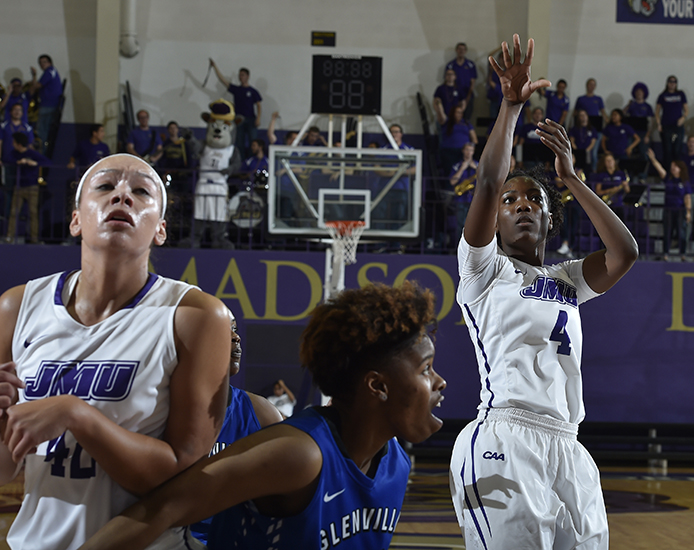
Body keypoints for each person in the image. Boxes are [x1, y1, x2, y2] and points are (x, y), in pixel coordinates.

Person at [78, 281, 447, 550]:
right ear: (377, 386)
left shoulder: (395, 463)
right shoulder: (299, 454)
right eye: (426, 368)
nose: (440, 381)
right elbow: (159, 511)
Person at [450, 34, 637, 550]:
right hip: (505, 436)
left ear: (550, 219)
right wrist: (510, 106)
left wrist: (571, 180)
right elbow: (487, 182)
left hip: (569, 446)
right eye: (511, 201)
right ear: (497, 217)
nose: (521, 204)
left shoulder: (566, 280)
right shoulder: (483, 272)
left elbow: (625, 254)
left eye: (534, 199)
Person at [0, 153, 231, 549]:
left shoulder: (197, 315)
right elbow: (5, 466)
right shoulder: (17, 307)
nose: (122, 195)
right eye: (106, 186)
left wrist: (75, 414)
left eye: (141, 191)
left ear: (160, 230)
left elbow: (183, 475)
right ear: (76, 220)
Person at [189, 310, 283, 545]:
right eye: (224, 330)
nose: (235, 337)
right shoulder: (165, 410)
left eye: (235, 329)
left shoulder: (262, 413)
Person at [209, 59, 262, 156]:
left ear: (247, 76)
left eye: (242, 75)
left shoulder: (253, 91)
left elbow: (258, 105)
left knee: (253, 142)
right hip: (238, 119)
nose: (240, 77)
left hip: (250, 119)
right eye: (239, 75)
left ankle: (252, 162)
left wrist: (258, 118)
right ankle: (240, 163)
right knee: (239, 143)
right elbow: (223, 80)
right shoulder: (236, 89)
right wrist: (215, 67)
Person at [647, 148, 692, 261]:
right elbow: (660, 169)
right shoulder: (668, 179)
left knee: (681, 232)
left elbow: (687, 197)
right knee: (667, 231)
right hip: (668, 209)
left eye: (675, 166)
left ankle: (683, 254)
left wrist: (688, 212)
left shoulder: (684, 182)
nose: (673, 168)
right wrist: (653, 159)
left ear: (680, 168)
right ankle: (665, 253)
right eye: (672, 166)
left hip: (680, 209)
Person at [5, 132, 49, 243]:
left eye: (14, 142)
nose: (13, 144)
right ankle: (10, 237)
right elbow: (7, 159)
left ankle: (34, 238)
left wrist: (34, 163)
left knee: (33, 213)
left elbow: (47, 161)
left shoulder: (31, 153)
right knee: (14, 212)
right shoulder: (15, 154)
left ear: (19, 144)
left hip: (32, 187)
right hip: (19, 187)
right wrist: (18, 162)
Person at [27, 54, 62, 151]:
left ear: (50, 63)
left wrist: (33, 77)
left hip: (48, 106)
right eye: (40, 63)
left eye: (44, 62)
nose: (42, 64)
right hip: (50, 105)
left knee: (41, 132)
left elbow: (36, 86)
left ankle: (40, 154)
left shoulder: (49, 72)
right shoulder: (52, 72)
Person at [655, 75, 688, 168]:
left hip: (677, 126)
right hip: (666, 126)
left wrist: (683, 117)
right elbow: (657, 112)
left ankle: (677, 171)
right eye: (670, 82)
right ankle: (667, 172)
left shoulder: (680, 94)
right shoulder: (663, 95)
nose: (672, 84)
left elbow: (686, 110)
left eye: (674, 82)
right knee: (667, 150)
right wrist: (658, 124)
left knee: (677, 150)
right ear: (667, 83)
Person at [450, 142, 479, 246]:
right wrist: (462, 168)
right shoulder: (457, 165)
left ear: (473, 152)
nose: (468, 152)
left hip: (474, 200)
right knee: (460, 225)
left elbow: (484, 180)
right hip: (460, 200)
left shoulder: (478, 165)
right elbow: (452, 182)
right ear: (463, 151)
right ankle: (458, 247)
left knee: (474, 225)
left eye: (470, 150)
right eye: (466, 150)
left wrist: (476, 169)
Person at [575, 78, 607, 170]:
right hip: (582, 130)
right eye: (590, 84)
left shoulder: (598, 99)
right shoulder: (581, 99)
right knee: (582, 152)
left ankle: (594, 171)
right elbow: (575, 113)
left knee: (593, 153)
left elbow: (603, 113)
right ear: (586, 85)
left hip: (595, 130)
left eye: (593, 84)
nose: (591, 86)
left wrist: (608, 123)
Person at [441, 104, 477, 174]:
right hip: (449, 152)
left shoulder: (466, 123)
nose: (459, 114)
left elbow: (474, 139)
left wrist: (471, 149)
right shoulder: (447, 122)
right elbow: (440, 114)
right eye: (457, 112)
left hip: (463, 152)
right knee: (450, 171)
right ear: (453, 113)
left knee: (464, 171)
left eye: (461, 112)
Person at [446, 42, 478, 122]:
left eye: (463, 49)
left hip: (467, 96)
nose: (461, 51)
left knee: (466, 119)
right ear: (456, 50)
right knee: (453, 119)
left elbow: (472, 83)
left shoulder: (471, 65)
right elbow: (448, 82)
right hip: (454, 97)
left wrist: (467, 99)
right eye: (459, 49)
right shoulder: (451, 65)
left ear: (466, 51)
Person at [569, 109, 598, 173]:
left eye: (584, 115)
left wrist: (587, 150)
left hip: (587, 151)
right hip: (577, 150)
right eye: (581, 115)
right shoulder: (574, 129)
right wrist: (576, 150)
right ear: (578, 117)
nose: (583, 117)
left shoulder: (592, 129)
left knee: (587, 165)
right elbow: (572, 140)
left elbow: (593, 141)